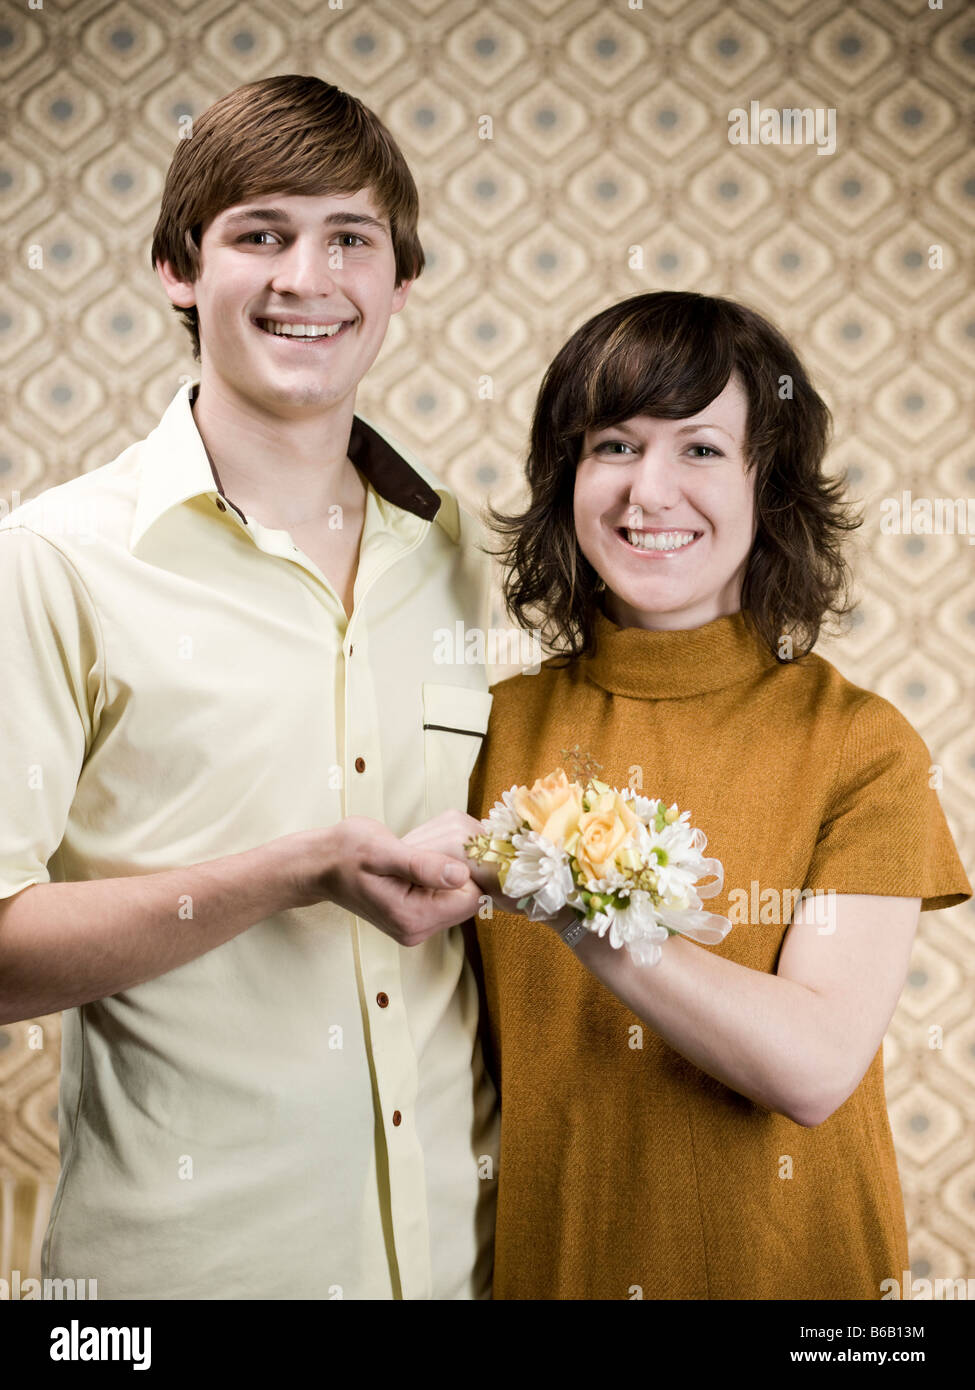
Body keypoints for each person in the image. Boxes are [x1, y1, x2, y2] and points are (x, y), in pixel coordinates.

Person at [0, 75, 499, 1300]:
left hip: (466, 1270)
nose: (305, 280)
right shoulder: (56, 557)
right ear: (181, 268)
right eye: (260, 235)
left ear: (400, 284)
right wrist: (296, 869)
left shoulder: (479, 564)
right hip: (181, 1285)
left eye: (349, 241)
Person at [415, 290, 972, 1299]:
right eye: (614, 447)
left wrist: (574, 902)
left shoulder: (862, 744)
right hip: (556, 1271)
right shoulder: (483, 730)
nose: (649, 492)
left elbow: (811, 1065)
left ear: (774, 487)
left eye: (703, 450)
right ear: (565, 479)